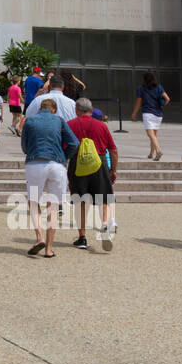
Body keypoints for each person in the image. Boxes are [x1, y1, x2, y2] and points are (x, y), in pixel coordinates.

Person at [20, 98, 78, 258]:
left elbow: (24, 146)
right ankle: (49, 249)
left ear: (40, 108)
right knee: (53, 206)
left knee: (33, 202)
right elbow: (74, 142)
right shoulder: (59, 120)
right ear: (54, 109)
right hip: (56, 165)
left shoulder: (29, 121)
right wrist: (63, 157)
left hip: (35, 163)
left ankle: (39, 238)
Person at [66, 97, 118, 251]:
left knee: (80, 200)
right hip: (99, 163)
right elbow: (113, 150)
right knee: (104, 198)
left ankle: (82, 238)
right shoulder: (101, 126)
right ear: (91, 108)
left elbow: (65, 146)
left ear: (77, 109)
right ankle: (105, 225)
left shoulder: (70, 124)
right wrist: (113, 170)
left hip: (78, 163)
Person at [132, 71, 170, 160]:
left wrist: (134, 112)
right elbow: (167, 99)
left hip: (148, 113)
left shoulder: (141, 88)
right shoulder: (159, 87)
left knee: (150, 134)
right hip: (158, 114)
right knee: (154, 135)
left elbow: (138, 102)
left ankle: (158, 151)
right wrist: (162, 105)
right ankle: (151, 154)